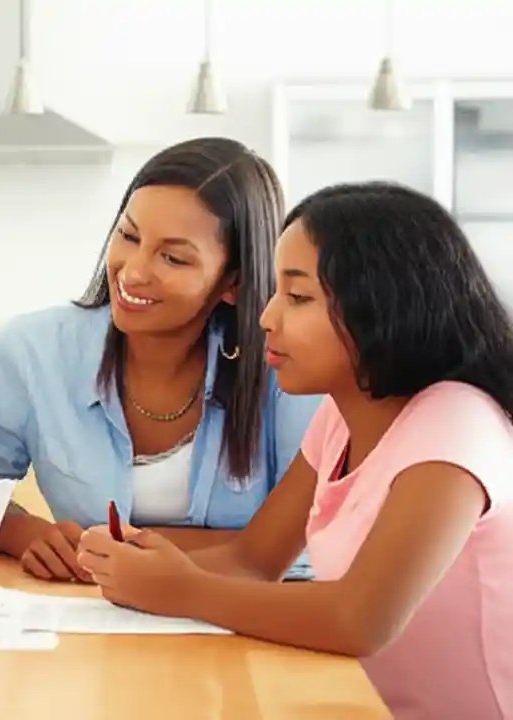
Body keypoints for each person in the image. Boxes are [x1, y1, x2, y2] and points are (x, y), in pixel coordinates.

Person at [77, 182, 513, 720]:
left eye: (299, 297)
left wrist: (181, 590)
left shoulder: (455, 423)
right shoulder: (342, 414)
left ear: (383, 307)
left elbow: (361, 620)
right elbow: (253, 561)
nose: (266, 319)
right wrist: (136, 563)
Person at [0, 138, 320, 582]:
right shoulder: (31, 352)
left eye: (173, 257)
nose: (133, 270)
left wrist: (120, 551)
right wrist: (26, 533)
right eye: (128, 235)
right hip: (89, 616)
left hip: (245, 627)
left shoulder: (287, 370)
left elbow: (311, 544)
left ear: (234, 282)